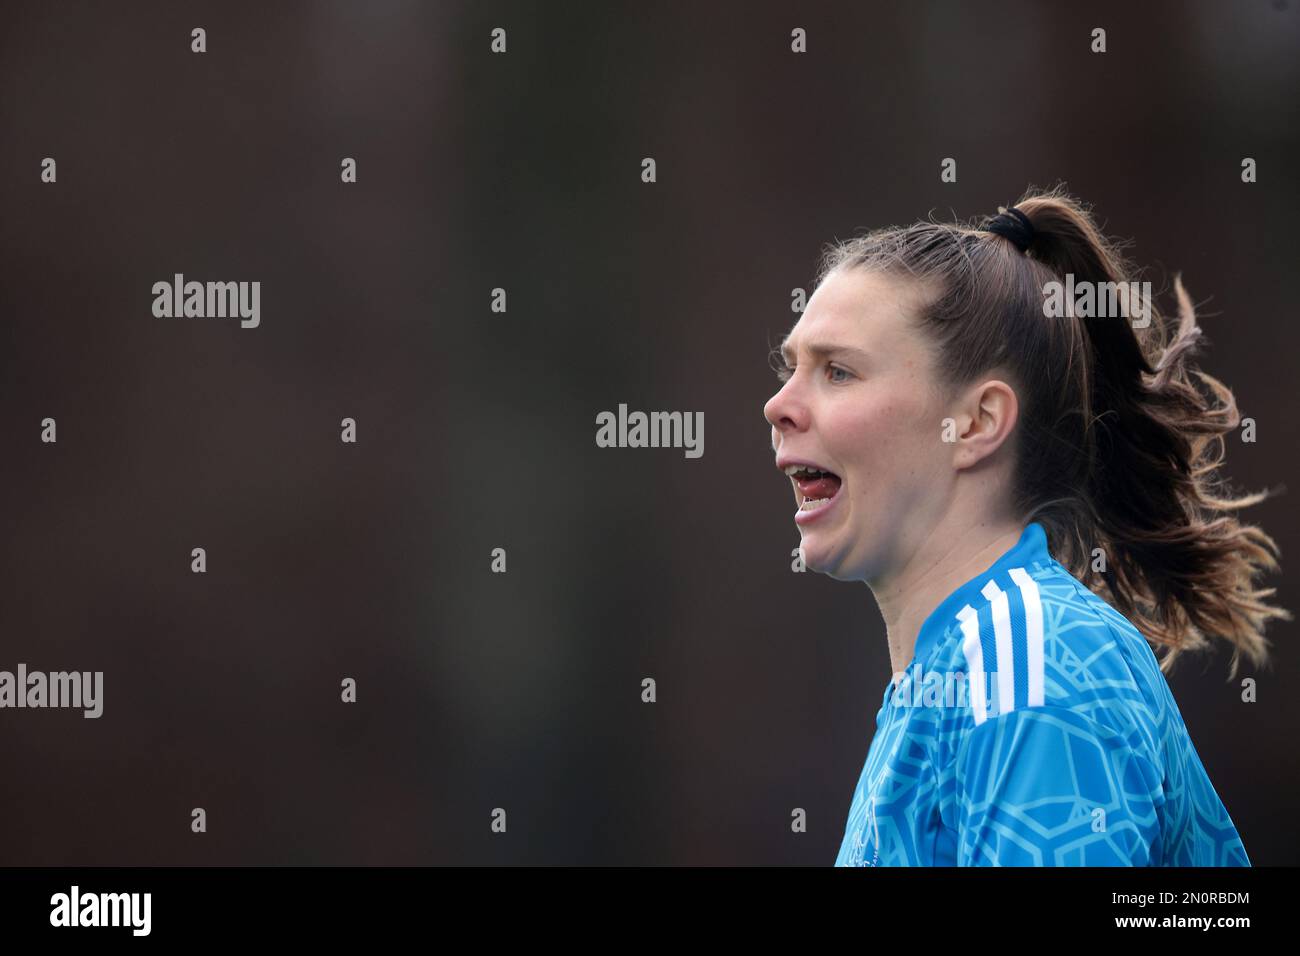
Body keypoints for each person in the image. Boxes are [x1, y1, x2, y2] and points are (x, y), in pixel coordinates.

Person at [762, 186, 1290, 866]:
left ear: (978, 423)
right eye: (791, 368)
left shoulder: (1027, 665)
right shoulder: (960, 672)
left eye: (837, 371)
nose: (779, 405)